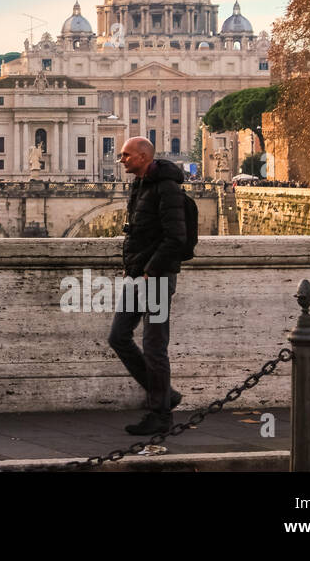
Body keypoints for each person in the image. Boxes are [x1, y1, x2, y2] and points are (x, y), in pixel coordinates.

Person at [109, 137, 186, 435]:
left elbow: (175, 238)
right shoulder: (139, 185)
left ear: (143, 157)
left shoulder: (167, 188)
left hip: (154, 277)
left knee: (155, 347)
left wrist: (150, 272)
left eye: (127, 156)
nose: (122, 160)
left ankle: (161, 414)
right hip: (137, 275)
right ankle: (165, 394)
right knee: (118, 337)